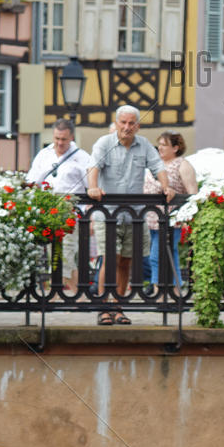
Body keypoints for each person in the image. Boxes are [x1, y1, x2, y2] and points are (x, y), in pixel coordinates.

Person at [87, 105, 170, 324]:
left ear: (137, 126)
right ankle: (104, 308)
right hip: (108, 214)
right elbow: (93, 167)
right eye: (123, 122)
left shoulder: (144, 145)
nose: (127, 127)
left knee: (125, 262)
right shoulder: (104, 143)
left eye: (131, 123)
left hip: (134, 214)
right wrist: (93, 187)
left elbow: (158, 167)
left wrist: (166, 187)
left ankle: (118, 307)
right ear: (116, 124)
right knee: (109, 259)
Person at [26, 118, 95, 290]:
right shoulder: (44, 154)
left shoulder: (82, 157)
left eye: (64, 139)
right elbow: (32, 181)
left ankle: (55, 293)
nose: (59, 143)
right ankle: (79, 294)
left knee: (66, 252)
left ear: (72, 137)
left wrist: (91, 215)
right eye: (56, 138)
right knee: (55, 253)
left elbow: (91, 187)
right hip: (48, 211)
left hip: (71, 212)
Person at [143, 133, 197, 290]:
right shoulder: (156, 164)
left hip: (170, 219)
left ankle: (159, 293)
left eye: (164, 145)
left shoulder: (182, 165)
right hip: (151, 219)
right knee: (170, 255)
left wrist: (188, 217)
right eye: (159, 144)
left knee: (156, 256)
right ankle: (175, 292)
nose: (160, 147)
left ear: (175, 148)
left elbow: (192, 193)